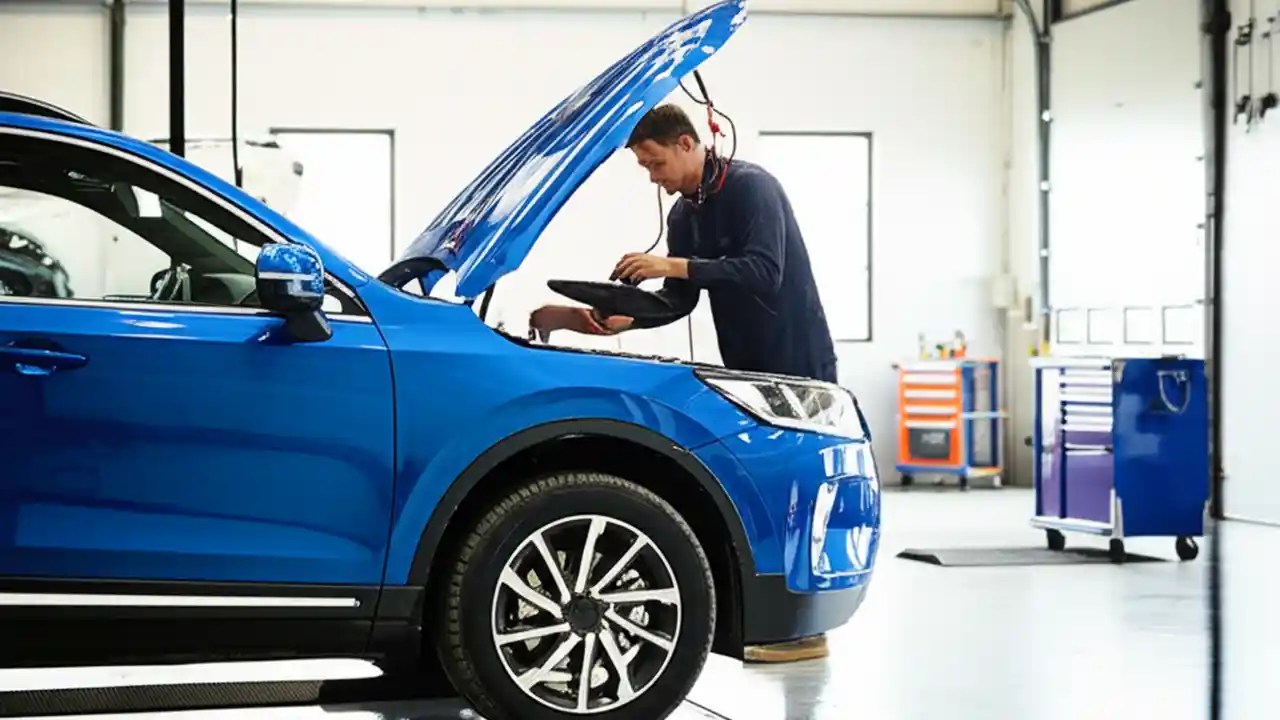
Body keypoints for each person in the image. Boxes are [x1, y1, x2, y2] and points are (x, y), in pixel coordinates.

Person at [529, 103, 838, 663]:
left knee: (801, 494)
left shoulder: (753, 188)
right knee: (766, 492)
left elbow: (763, 270)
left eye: (655, 163)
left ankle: (809, 630)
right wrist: (621, 317)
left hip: (799, 360)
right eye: (645, 168)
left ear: (687, 144)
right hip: (746, 366)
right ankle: (781, 622)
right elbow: (679, 301)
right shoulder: (684, 217)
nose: (653, 177)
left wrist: (671, 265)